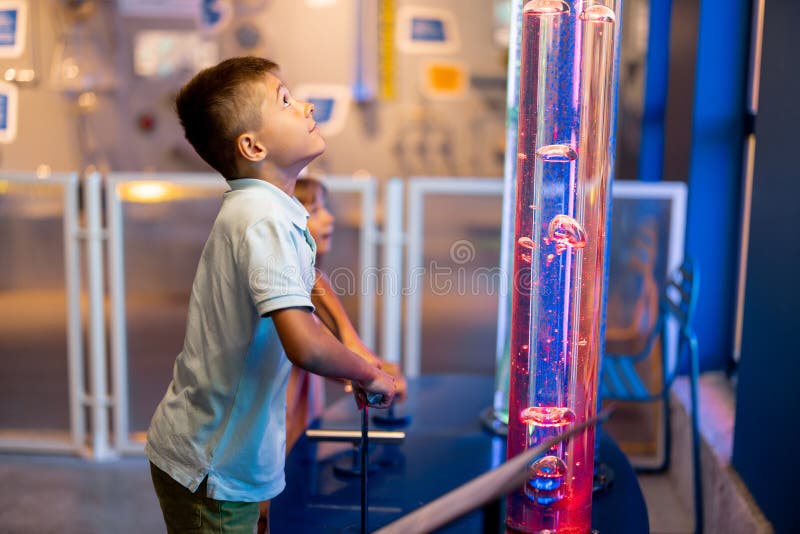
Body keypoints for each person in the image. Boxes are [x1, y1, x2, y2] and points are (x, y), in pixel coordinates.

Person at [145, 56, 396, 534]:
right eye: (285, 100)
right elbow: (301, 341)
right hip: (211, 470)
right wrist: (367, 374)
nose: (304, 106)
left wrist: (350, 342)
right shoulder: (264, 218)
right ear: (252, 145)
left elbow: (306, 287)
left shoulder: (267, 210)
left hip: (223, 460)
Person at [285, 176, 408, 450]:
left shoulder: (312, 280)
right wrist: (372, 372)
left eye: (325, 208)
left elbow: (335, 354)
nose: (329, 218)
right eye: (314, 211)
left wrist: (376, 371)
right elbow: (318, 353)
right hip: (278, 434)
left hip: (298, 426)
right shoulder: (303, 281)